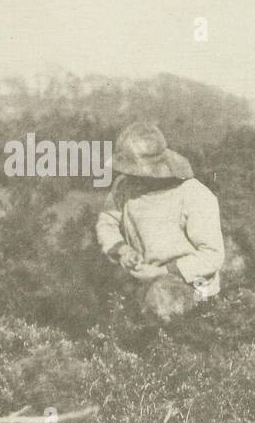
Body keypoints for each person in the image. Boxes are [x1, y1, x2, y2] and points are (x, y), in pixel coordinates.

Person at [95, 122, 226, 322]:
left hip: (194, 285)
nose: (131, 177)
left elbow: (212, 255)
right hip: (145, 278)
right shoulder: (124, 187)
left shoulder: (193, 194)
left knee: (165, 313)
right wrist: (123, 249)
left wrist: (163, 271)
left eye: (136, 171)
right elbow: (107, 222)